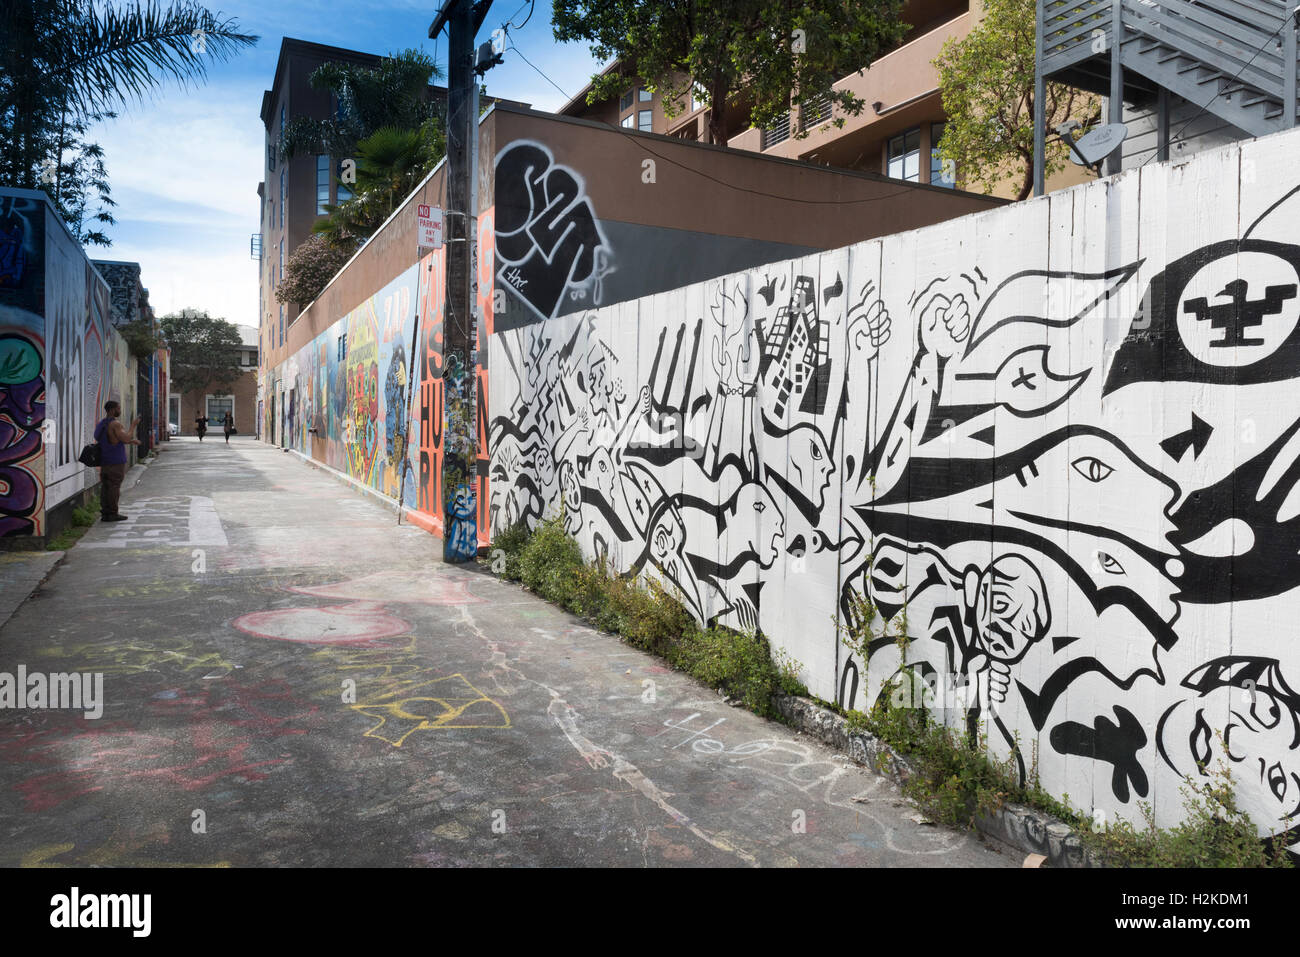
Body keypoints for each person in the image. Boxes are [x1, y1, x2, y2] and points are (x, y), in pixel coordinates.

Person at [95, 400, 140, 522]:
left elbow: (110, 440)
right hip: (115, 462)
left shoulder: (102, 424)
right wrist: (133, 425)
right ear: (112, 410)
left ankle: (105, 512)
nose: (120, 411)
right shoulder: (115, 424)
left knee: (106, 487)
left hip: (105, 461)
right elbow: (125, 438)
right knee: (114, 487)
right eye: (118, 408)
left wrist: (130, 441)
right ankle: (113, 513)